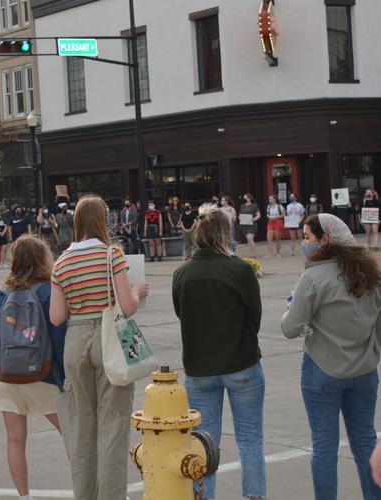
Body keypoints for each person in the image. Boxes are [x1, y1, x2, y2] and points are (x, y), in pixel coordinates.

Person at [49, 195, 149, 500]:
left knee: (82, 429)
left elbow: (56, 317)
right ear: (101, 220)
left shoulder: (62, 261)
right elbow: (127, 307)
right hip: (109, 340)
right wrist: (136, 291)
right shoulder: (112, 255)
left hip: (76, 339)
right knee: (114, 428)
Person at [282, 214, 381, 500]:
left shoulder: (312, 277)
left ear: (324, 239)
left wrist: (292, 309)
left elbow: (290, 329)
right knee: (365, 442)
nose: (304, 243)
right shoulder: (371, 276)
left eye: (306, 237)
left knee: (324, 446)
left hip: (322, 370)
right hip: (364, 370)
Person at [172, 204, 266, 500]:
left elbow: (181, 313)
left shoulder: (182, 273)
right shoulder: (240, 270)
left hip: (200, 368)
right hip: (241, 363)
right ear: (226, 233)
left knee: (203, 445)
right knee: (250, 440)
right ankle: (254, 496)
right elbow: (255, 317)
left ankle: (204, 496)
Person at [0, 235, 66, 500]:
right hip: (44, 376)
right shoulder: (48, 292)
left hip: (7, 377)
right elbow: (59, 337)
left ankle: (24, 496)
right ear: (44, 259)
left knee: (15, 440)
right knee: (75, 437)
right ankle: (91, 488)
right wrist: (65, 379)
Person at [239, 194, 262, 259]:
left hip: (252, 224)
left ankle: (255, 254)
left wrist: (253, 219)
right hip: (244, 224)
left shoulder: (254, 205)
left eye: (245, 197)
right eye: (244, 198)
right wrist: (240, 218)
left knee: (250, 238)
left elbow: (258, 215)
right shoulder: (242, 206)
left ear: (249, 198)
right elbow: (240, 214)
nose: (244, 199)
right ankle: (252, 254)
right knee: (249, 240)